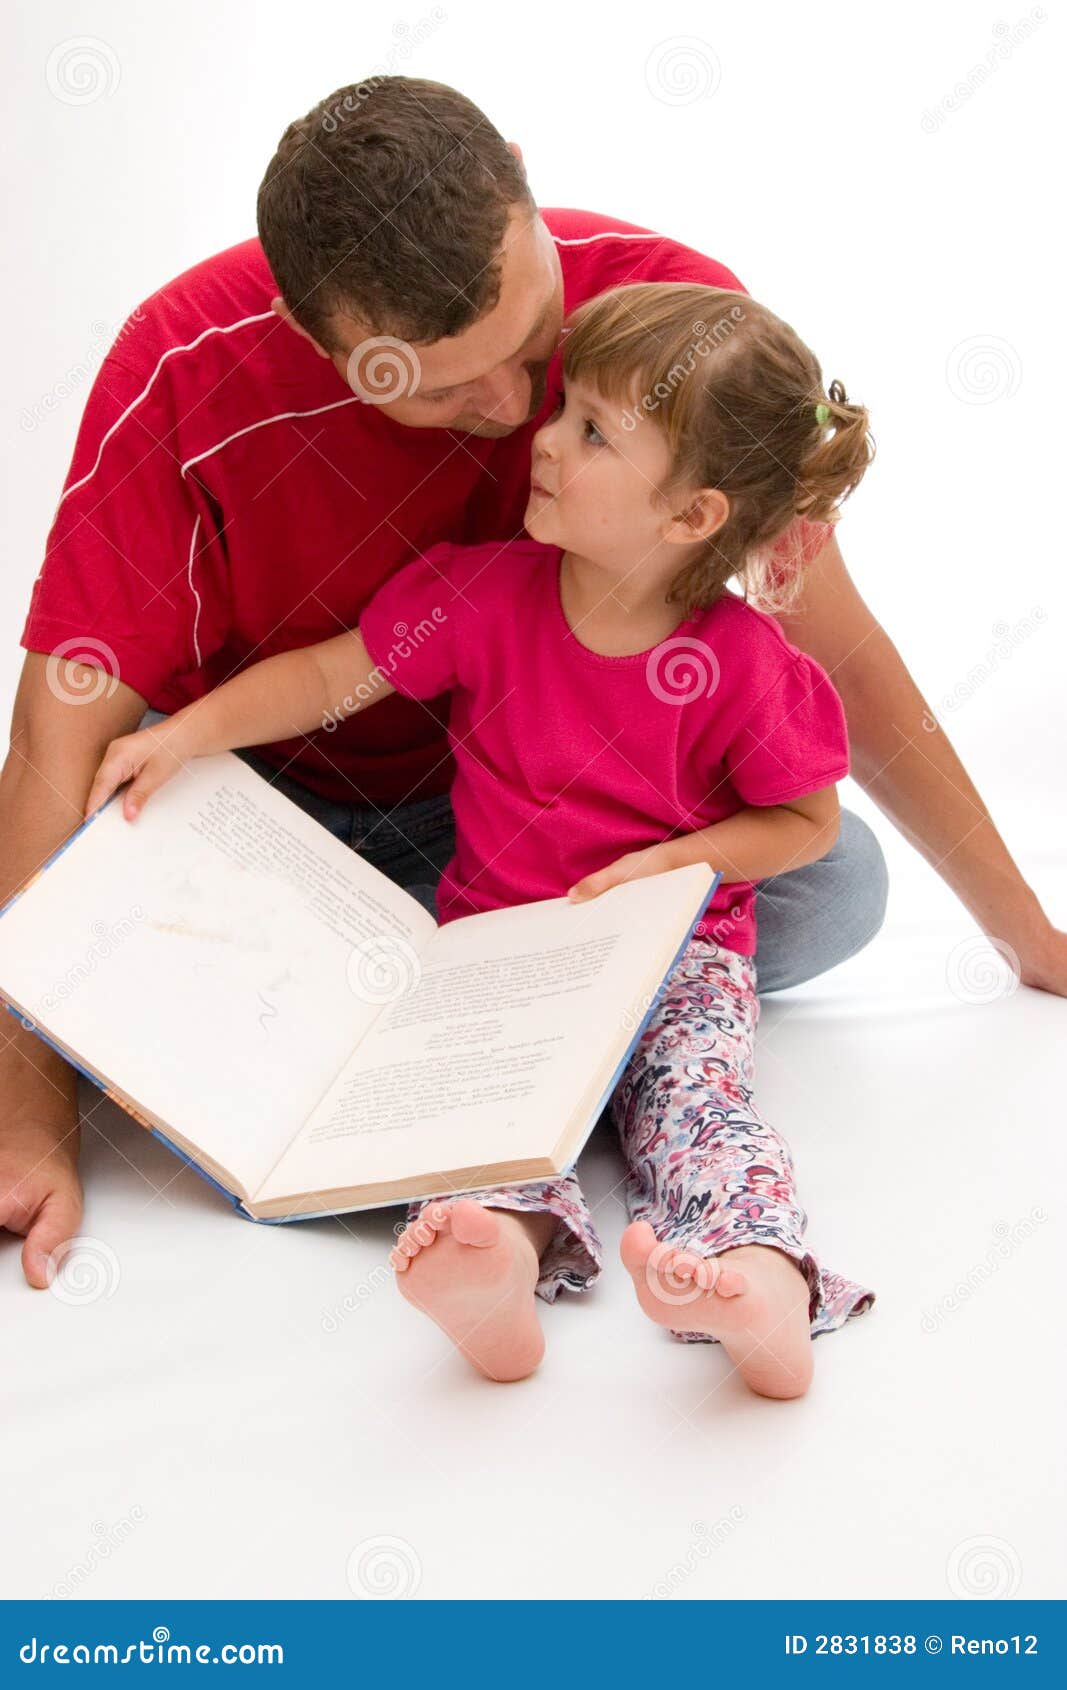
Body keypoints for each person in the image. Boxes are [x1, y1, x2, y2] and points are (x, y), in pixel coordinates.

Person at [3, 78, 1061, 1294]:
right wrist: (26, 1113)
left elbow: (835, 658)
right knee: (111, 809)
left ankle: (437, 1017)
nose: (514, 414)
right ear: (310, 332)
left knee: (836, 884)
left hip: (518, 832)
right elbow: (55, 737)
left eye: (530, 349)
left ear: (519, 172)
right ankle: (416, 1022)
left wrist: (1023, 933)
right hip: (262, 805)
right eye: (441, 387)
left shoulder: (670, 329)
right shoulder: (182, 359)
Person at [86, 280, 878, 1395]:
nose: (541, 441)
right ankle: (498, 1262)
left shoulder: (742, 663)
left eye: (591, 432)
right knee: (466, 1125)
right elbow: (330, 676)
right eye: (563, 409)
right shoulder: (479, 596)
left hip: (675, 956)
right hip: (497, 957)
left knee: (701, 1110)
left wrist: (681, 864)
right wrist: (187, 733)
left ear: (691, 517)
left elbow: (807, 822)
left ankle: (760, 1284)